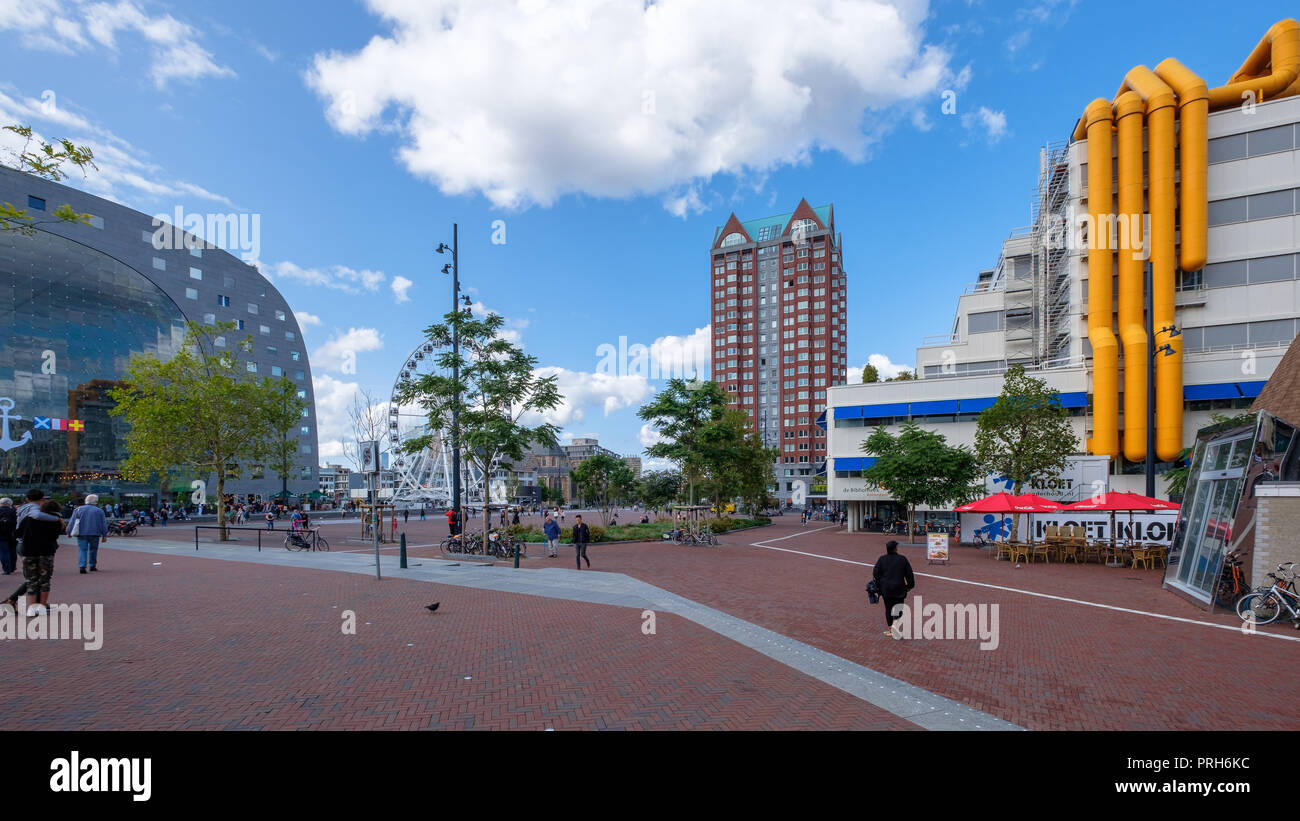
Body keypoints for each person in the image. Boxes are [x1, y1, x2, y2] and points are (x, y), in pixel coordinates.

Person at [13, 499, 63, 616]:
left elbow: (18, 533)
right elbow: (54, 536)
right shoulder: (56, 521)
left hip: (29, 552)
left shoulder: (29, 519)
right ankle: (41, 606)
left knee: (31, 580)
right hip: (46, 552)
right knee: (44, 580)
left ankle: (31, 608)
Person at [872, 540, 916, 639]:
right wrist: (909, 586)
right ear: (896, 549)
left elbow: (875, 573)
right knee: (898, 609)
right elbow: (909, 574)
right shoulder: (902, 559)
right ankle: (895, 627)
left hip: (886, 589)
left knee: (888, 609)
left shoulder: (882, 559)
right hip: (899, 588)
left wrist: (880, 583)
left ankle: (890, 630)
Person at [69, 493, 109, 574]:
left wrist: (69, 532)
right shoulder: (99, 511)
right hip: (95, 533)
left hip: (81, 532)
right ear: (96, 502)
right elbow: (103, 524)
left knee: (82, 549)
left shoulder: (78, 510)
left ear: (86, 501)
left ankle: (82, 566)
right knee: (93, 549)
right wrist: (104, 535)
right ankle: (92, 565)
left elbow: (72, 522)